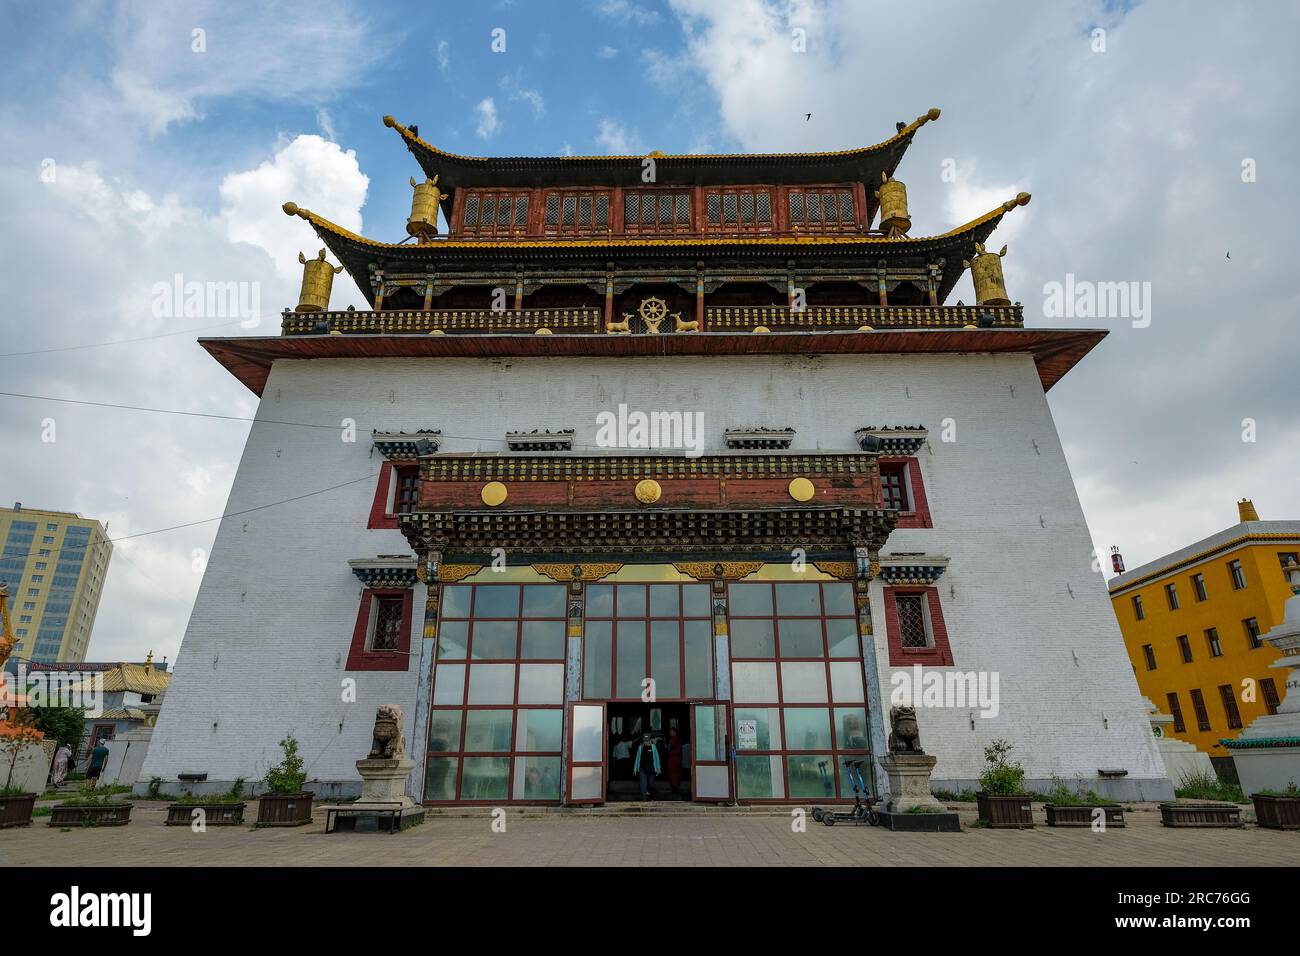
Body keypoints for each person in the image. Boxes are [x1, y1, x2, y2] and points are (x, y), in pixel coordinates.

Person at [632, 734, 661, 801]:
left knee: (651, 784)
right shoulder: (640, 748)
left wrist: (658, 768)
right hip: (642, 769)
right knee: (643, 784)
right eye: (645, 741)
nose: (646, 742)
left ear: (650, 740)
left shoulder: (653, 747)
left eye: (647, 741)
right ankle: (644, 799)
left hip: (652, 768)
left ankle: (652, 798)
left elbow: (657, 758)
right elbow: (637, 758)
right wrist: (635, 768)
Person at [666, 728, 683, 795]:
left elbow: (669, 748)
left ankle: (675, 788)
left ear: (674, 732)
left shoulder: (673, 739)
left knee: (672, 773)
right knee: (677, 772)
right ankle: (676, 787)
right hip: (678, 758)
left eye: (671, 731)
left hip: (673, 759)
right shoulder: (678, 739)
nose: (670, 733)